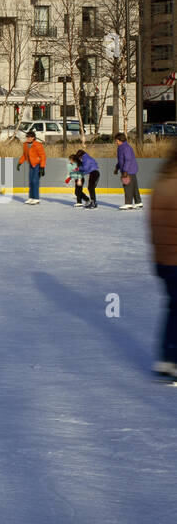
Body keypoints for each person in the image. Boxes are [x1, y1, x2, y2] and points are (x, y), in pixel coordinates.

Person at [148, 144, 177, 381]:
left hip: (162, 260)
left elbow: (153, 223)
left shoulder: (161, 183)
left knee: (172, 306)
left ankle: (166, 358)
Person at [115, 133, 143, 210]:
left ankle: (128, 203)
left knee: (127, 186)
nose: (116, 142)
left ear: (121, 140)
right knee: (134, 187)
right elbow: (121, 160)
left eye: (117, 140)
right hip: (129, 169)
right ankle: (138, 202)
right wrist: (117, 167)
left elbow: (127, 160)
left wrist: (125, 171)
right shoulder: (121, 147)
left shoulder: (125, 148)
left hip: (128, 170)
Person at [18, 130, 46, 205]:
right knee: (30, 181)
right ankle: (31, 197)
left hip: (37, 165)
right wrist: (20, 163)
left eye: (29, 137)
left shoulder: (38, 145)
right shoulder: (26, 145)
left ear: (33, 138)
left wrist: (42, 167)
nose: (27, 138)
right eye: (27, 137)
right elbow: (25, 155)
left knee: (35, 181)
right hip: (31, 164)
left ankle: (36, 198)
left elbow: (43, 156)